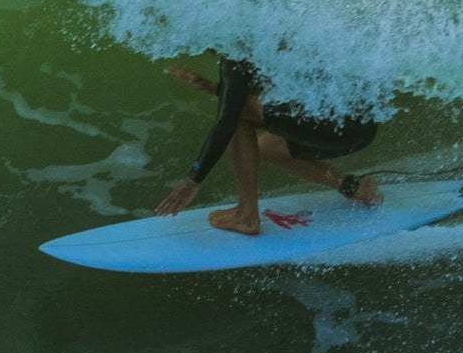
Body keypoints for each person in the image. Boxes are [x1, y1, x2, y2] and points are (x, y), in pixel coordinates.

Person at [153, 54, 381, 236]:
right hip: (362, 127)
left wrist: (193, 180)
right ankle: (354, 188)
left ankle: (246, 215)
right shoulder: (269, 35)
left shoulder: (234, 55)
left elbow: (228, 119)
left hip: (337, 127)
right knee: (265, 149)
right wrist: (212, 87)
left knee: (238, 114)